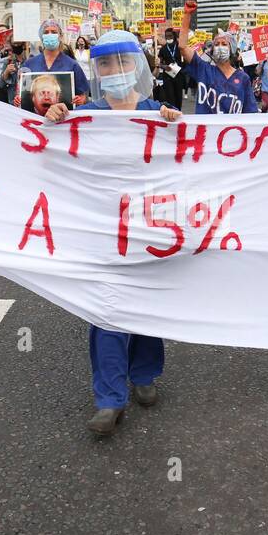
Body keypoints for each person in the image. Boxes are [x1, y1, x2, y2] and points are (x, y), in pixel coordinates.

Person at [43, 30, 182, 437]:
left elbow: (195, 161)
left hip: (150, 229)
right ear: (96, 71)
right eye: (105, 64)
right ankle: (109, 398)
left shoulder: (160, 111)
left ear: (136, 66)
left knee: (146, 306)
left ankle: (143, 373)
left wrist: (177, 125)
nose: (115, 70)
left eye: (122, 62)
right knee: (106, 311)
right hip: (103, 229)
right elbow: (50, 154)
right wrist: (53, 121)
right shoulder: (87, 117)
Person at [175, 6, 257, 114]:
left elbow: (251, 113)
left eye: (224, 44)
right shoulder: (203, 69)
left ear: (231, 49)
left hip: (231, 130)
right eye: (216, 44)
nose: (220, 47)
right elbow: (183, 47)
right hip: (206, 130)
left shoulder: (243, 78)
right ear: (212, 50)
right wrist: (187, 15)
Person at [19, 17, 90, 106]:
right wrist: (18, 99)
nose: (50, 34)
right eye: (46, 32)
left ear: (60, 36)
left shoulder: (72, 65)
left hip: (63, 116)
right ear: (41, 36)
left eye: (54, 32)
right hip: (36, 118)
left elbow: (83, 94)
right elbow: (25, 92)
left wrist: (81, 99)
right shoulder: (29, 64)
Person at [154, 27, 185, 110]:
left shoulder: (179, 47)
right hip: (167, 76)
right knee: (170, 97)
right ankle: (172, 111)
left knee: (178, 96)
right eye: (166, 36)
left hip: (178, 75)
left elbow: (185, 60)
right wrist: (160, 64)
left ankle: (179, 111)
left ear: (174, 36)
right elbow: (159, 62)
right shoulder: (163, 49)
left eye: (170, 36)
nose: (168, 38)